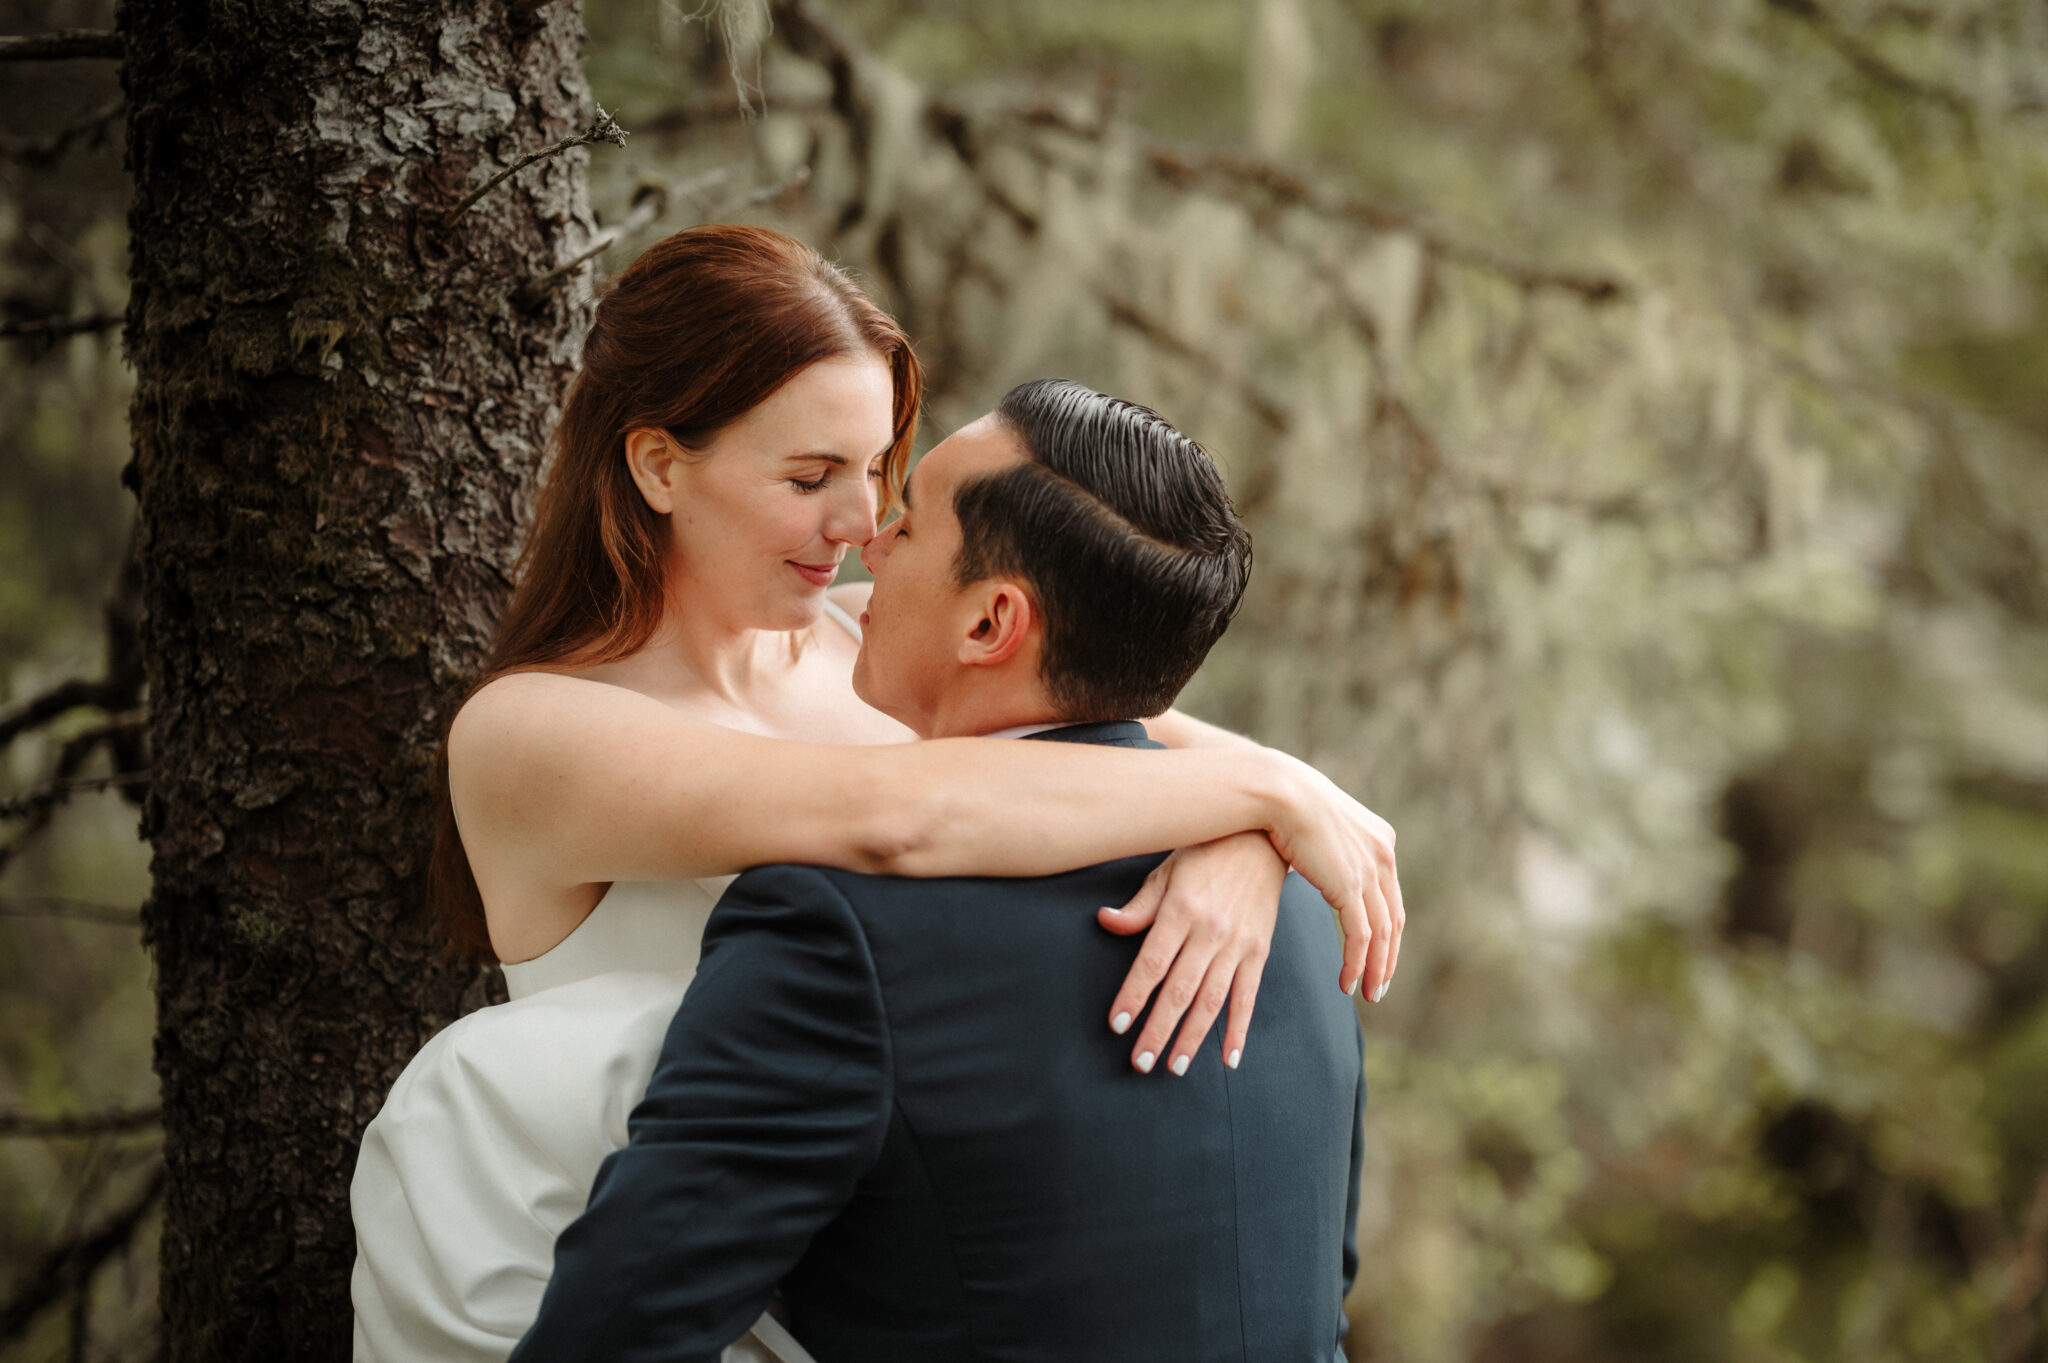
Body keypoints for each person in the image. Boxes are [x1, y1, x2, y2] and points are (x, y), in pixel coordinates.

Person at [351, 226, 1399, 1363]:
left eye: (876, 469)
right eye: (809, 478)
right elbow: (899, 818)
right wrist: (1263, 793)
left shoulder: (869, 638)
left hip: (903, 1276)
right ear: (658, 466)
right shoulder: (533, 732)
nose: (860, 525)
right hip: (670, 1278)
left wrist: (1246, 839)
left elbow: (1126, 725)